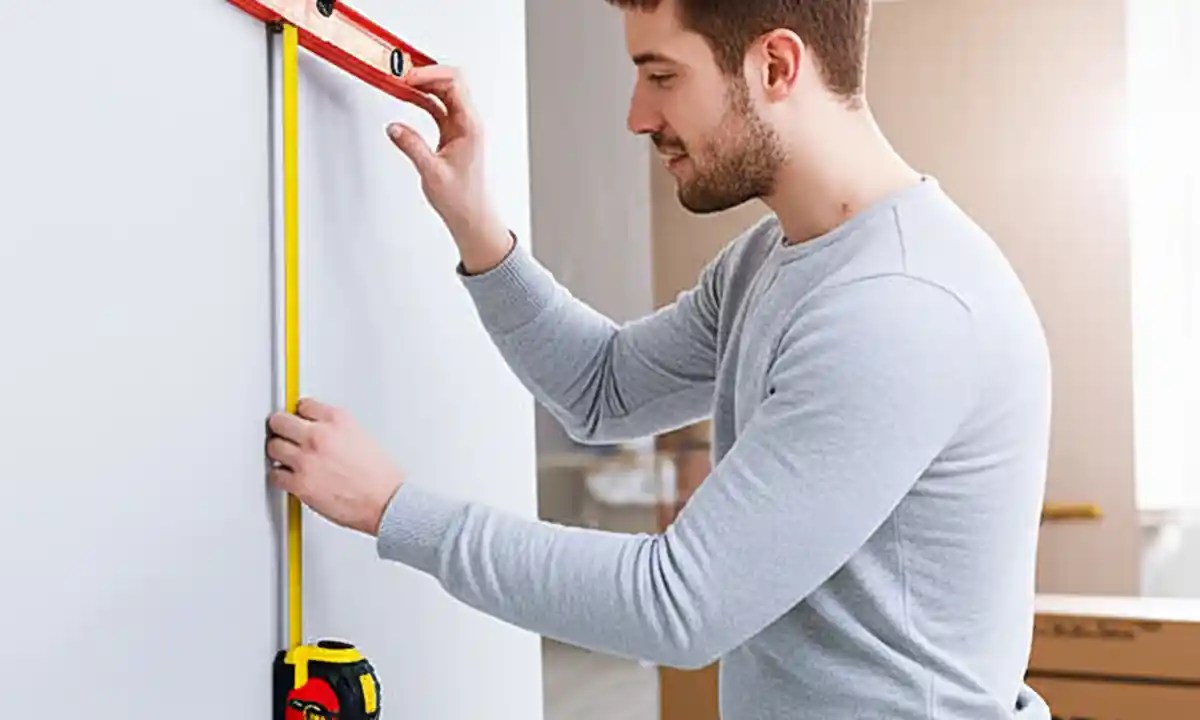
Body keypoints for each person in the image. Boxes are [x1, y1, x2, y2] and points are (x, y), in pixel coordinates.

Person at [264, 0, 1054, 717]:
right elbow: (603, 391)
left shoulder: (901, 305)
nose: (638, 116)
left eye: (662, 76)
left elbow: (679, 604)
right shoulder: (774, 261)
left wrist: (393, 508)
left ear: (776, 66)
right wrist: (477, 223)